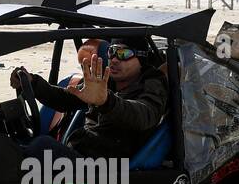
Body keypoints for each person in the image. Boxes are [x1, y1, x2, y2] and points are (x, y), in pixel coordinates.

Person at [9, 39, 168, 159]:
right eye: (112, 52)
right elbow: (66, 98)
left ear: (141, 58)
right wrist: (33, 83)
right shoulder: (105, 80)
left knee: (41, 147)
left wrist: (106, 102)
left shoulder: (152, 85)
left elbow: (143, 114)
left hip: (109, 168)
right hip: (83, 152)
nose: (114, 59)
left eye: (123, 54)